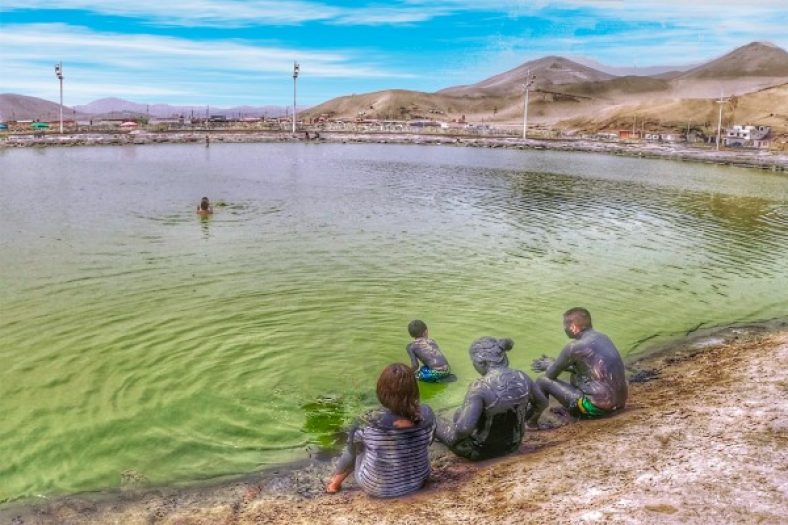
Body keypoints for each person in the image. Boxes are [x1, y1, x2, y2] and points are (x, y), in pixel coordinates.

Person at [326, 363, 436, 497]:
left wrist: (336, 481)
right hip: (417, 481)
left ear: (381, 392)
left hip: (378, 488)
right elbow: (429, 441)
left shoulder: (367, 422)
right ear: (414, 391)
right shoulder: (427, 414)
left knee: (356, 446)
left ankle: (334, 483)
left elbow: (349, 454)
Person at [435, 337, 545, 460]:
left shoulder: (479, 386)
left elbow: (463, 430)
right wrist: (523, 420)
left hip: (481, 451)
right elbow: (542, 403)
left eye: (473, 362)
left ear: (481, 362)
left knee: (434, 419)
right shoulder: (522, 376)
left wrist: (453, 436)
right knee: (461, 414)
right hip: (514, 445)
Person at [530, 307, 628, 422]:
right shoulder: (603, 337)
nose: (564, 329)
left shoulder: (574, 347)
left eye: (565, 325)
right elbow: (588, 369)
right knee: (577, 375)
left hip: (596, 409)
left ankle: (531, 423)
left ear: (573, 327)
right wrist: (554, 364)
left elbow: (550, 375)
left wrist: (550, 365)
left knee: (542, 381)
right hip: (619, 404)